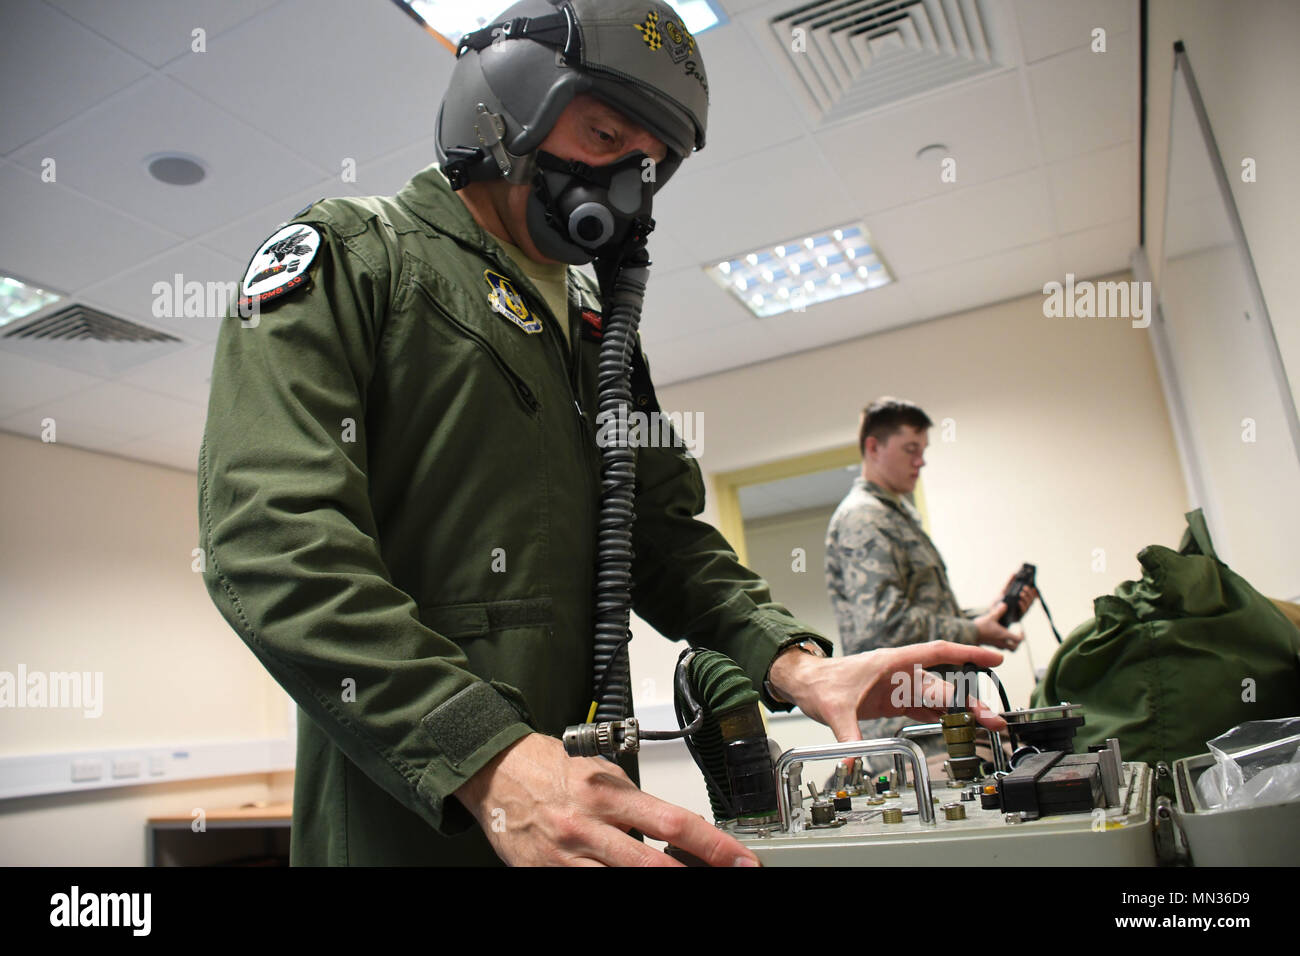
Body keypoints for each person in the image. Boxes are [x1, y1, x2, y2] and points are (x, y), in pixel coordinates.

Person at [198, 1, 1007, 867]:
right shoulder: (360, 257)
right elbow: (272, 543)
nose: (626, 183)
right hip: (413, 818)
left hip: (586, 806)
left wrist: (796, 663)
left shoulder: (596, 323)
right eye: (603, 134)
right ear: (504, 107)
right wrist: (487, 756)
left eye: (648, 164)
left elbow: (661, 537)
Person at [825, 397, 1036, 754]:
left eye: (922, 450)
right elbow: (884, 627)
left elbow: (922, 612)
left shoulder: (896, 516)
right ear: (873, 447)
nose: (920, 460)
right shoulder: (865, 519)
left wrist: (990, 617)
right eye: (910, 449)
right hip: (911, 731)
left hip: (939, 721)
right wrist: (973, 631)